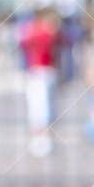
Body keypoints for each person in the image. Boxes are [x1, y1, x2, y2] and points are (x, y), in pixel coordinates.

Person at [17, 9, 60, 156]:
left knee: (40, 107)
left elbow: (22, 44)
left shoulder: (33, 31)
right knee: (43, 107)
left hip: (39, 72)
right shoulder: (46, 32)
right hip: (42, 72)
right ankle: (43, 139)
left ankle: (42, 139)